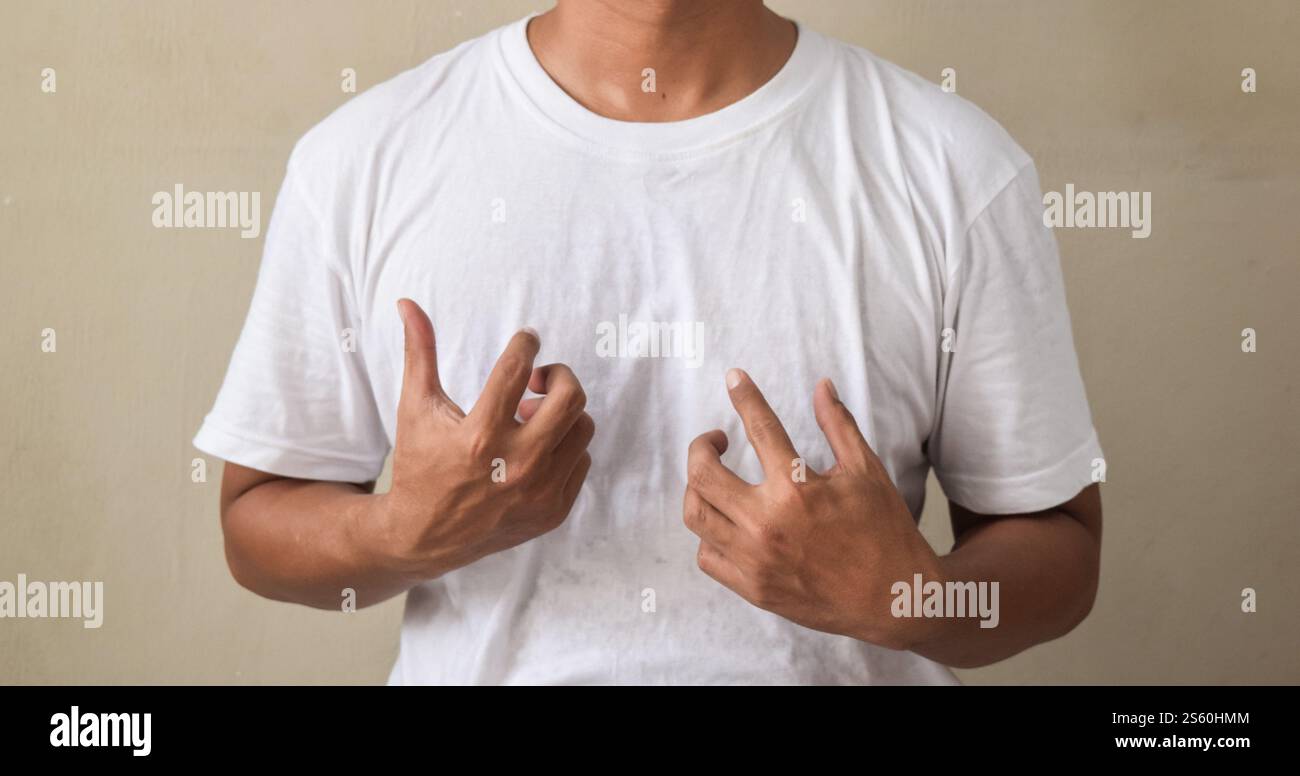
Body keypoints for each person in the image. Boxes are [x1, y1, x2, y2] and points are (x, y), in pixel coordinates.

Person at [195, 0, 1104, 684]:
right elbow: (256, 522)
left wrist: (910, 599)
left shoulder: (952, 166)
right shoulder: (363, 160)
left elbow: (1059, 551)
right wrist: (402, 529)